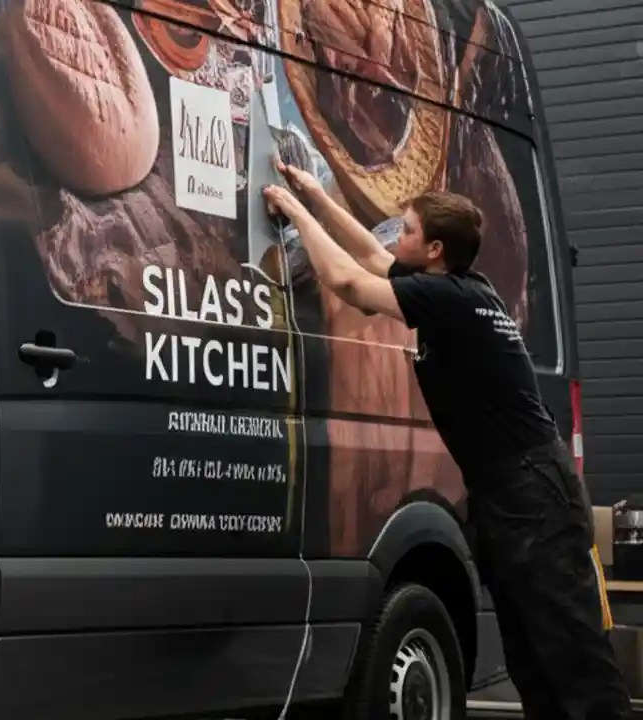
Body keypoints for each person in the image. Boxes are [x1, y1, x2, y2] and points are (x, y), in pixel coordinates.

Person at [261, 160, 631, 720]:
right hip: (513, 491)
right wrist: (314, 194)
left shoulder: (452, 301)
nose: (395, 234)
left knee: (570, 650)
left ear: (434, 250)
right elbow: (371, 256)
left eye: (406, 229)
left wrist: (292, 214)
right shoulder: (455, 288)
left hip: (533, 494)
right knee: (532, 651)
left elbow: (349, 283)